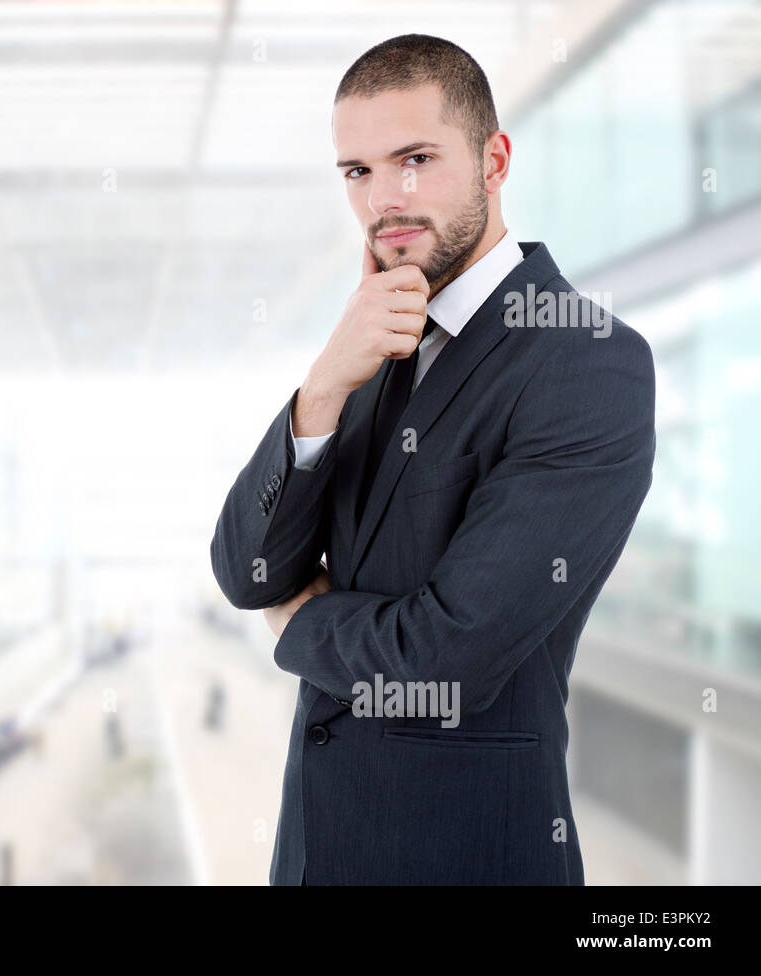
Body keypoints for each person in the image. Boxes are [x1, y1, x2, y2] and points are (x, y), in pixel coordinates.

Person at [209, 34, 655, 885]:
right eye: (358, 172)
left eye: (416, 158)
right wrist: (323, 388)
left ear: (495, 159)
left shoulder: (587, 362)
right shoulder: (373, 345)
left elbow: (449, 660)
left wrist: (300, 625)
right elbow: (246, 571)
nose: (387, 199)